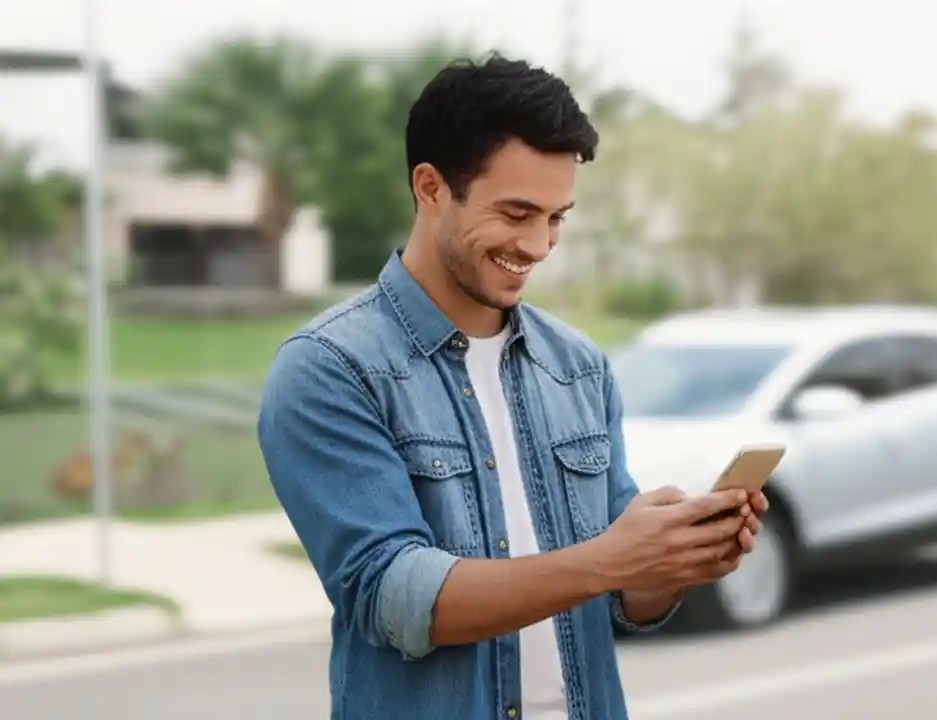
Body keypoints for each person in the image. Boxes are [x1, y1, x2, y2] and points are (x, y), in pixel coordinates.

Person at [257, 54, 769, 720]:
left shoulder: (578, 366)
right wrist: (610, 558)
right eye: (517, 213)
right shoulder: (329, 369)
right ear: (431, 188)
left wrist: (672, 563)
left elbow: (624, 595)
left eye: (557, 217)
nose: (538, 245)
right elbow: (397, 599)